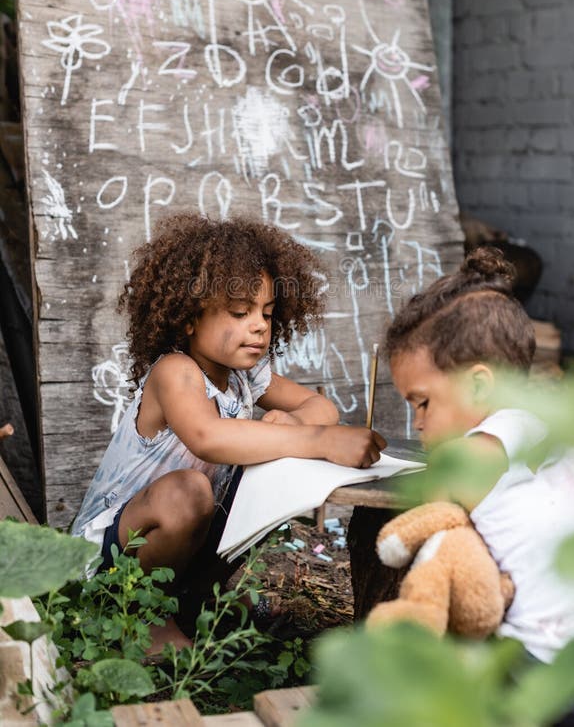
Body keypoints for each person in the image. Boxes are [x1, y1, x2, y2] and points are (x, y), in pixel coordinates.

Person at [72, 213, 385, 651]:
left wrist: (295, 422)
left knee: (261, 485)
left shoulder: (246, 376)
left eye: (267, 313)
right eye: (240, 312)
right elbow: (208, 437)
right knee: (190, 490)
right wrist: (314, 439)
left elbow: (322, 406)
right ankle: (144, 618)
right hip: (107, 557)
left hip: (177, 551)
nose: (259, 325)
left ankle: (194, 601)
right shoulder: (174, 371)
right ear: (187, 319)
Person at [385, 246, 574, 727]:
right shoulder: (542, 428)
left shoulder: (486, 444)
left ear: (479, 387)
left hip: (545, 671)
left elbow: (434, 517)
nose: (417, 423)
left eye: (422, 404)